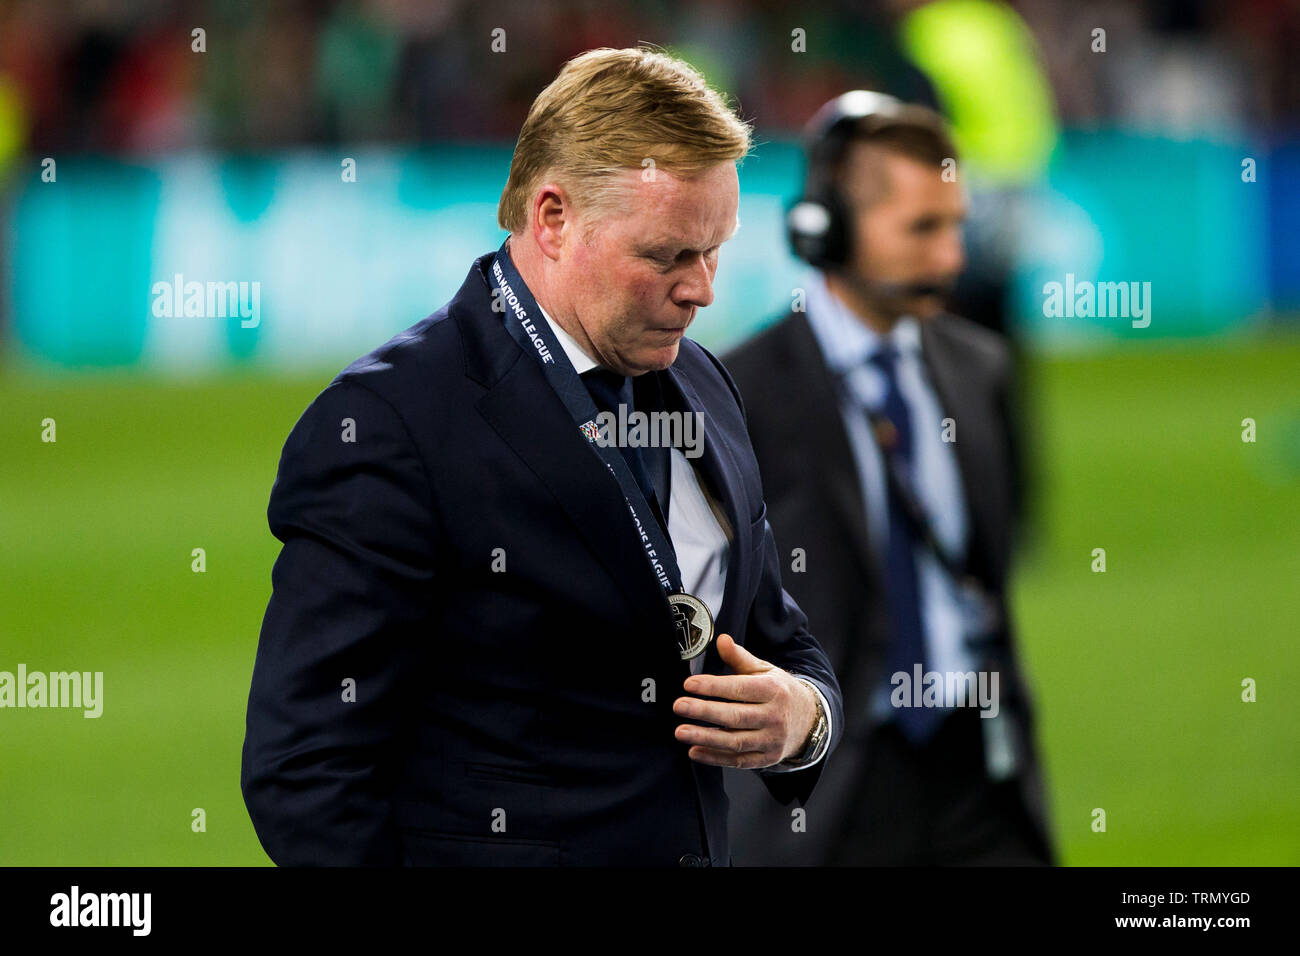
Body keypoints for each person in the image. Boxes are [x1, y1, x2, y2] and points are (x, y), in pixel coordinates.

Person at [240, 46, 842, 867]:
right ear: (553, 218)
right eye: (668, 255)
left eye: (715, 252)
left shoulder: (705, 384)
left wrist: (802, 719)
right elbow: (303, 770)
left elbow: (783, 643)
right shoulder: (388, 425)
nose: (703, 289)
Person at [722, 91, 1054, 865]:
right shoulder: (743, 393)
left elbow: (990, 579)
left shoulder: (980, 369)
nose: (951, 257)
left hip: (980, 780)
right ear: (827, 229)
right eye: (922, 229)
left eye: (956, 226)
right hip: (832, 788)